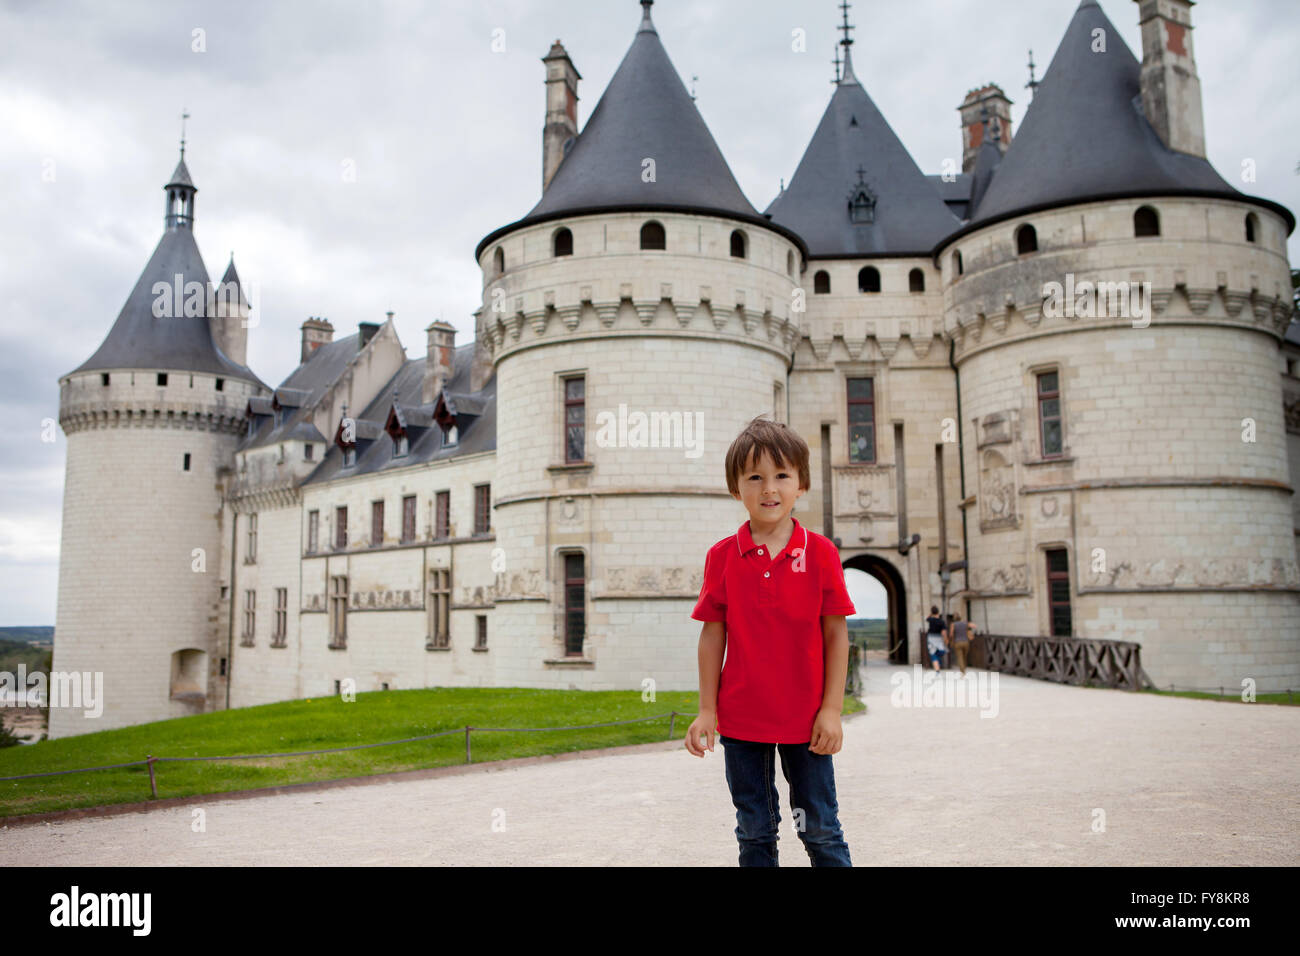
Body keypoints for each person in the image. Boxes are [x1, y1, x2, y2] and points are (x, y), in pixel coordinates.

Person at [685, 415, 855, 867]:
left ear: (801, 484)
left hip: (808, 722)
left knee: (819, 828)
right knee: (755, 831)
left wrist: (832, 710)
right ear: (735, 487)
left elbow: (837, 634)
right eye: (754, 477)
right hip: (742, 722)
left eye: (782, 475)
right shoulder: (721, 557)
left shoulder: (821, 553)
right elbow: (711, 635)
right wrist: (707, 709)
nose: (769, 488)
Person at [950, 611, 976, 675]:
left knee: (960, 657)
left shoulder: (953, 624)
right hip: (966, 642)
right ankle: (964, 667)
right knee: (964, 656)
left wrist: (951, 640)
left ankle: (963, 671)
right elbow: (974, 626)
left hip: (957, 642)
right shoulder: (965, 623)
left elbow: (951, 634)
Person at [925, 605, 947, 672]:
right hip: (938, 638)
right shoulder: (941, 622)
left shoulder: (931, 620)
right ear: (938, 612)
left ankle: (937, 667)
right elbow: (943, 632)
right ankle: (937, 668)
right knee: (941, 651)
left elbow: (927, 618)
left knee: (933, 653)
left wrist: (931, 614)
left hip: (931, 638)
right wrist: (945, 639)